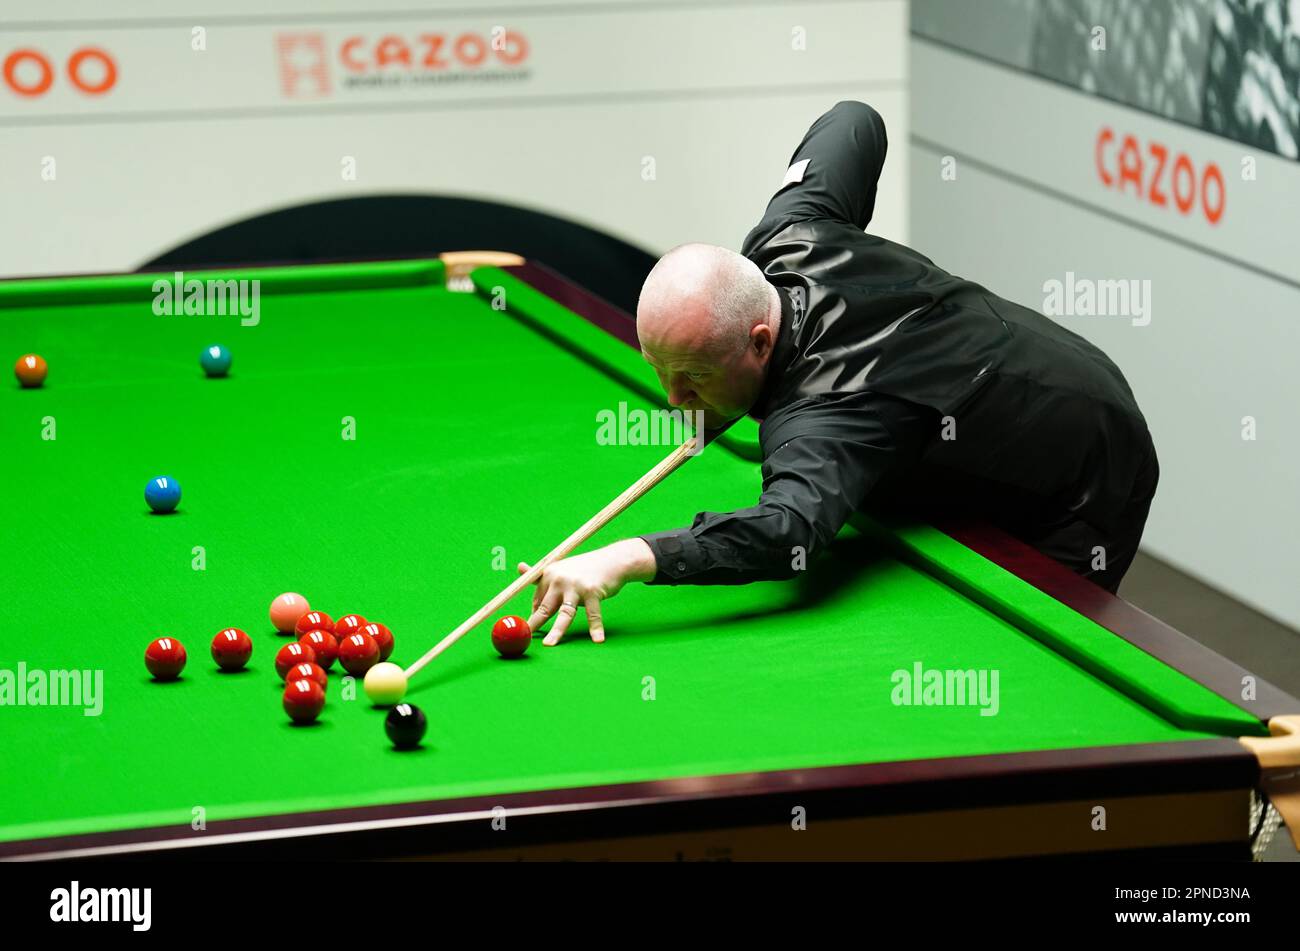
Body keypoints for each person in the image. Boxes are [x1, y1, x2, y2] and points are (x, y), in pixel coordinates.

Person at [521, 100, 1159, 645]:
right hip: (991, 384)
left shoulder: (832, 411)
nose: (673, 399)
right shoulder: (792, 231)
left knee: (1013, 649)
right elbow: (854, 120)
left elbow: (788, 532)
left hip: (1086, 457)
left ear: (760, 341)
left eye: (692, 377)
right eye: (660, 371)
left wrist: (631, 556)